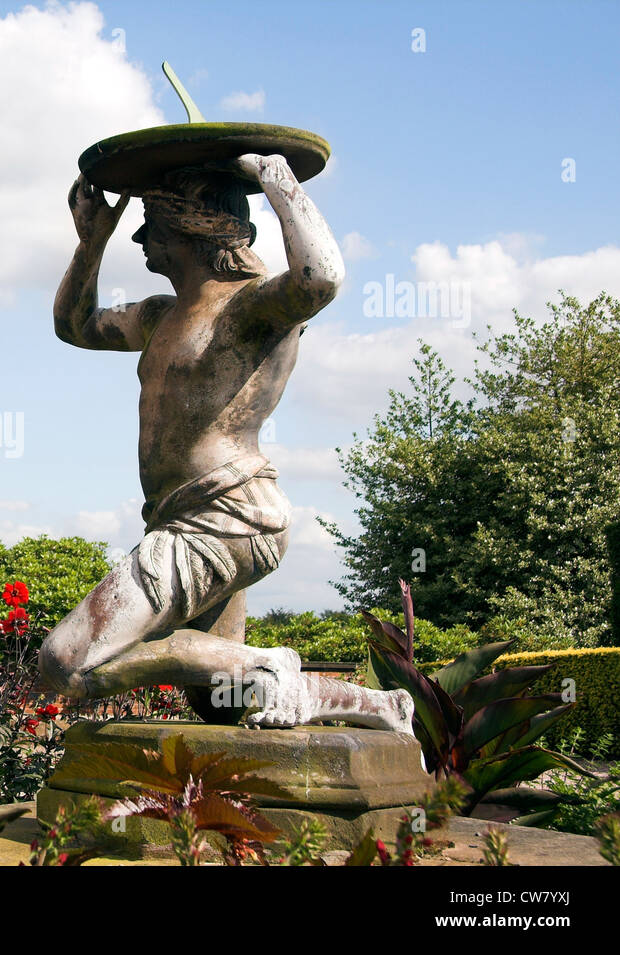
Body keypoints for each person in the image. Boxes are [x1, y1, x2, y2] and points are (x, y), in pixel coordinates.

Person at [40, 154, 413, 733]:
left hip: (228, 515)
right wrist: (92, 241)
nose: (139, 235)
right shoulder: (161, 315)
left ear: (194, 226)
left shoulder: (254, 306)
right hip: (178, 516)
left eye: (152, 222)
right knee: (224, 699)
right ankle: (379, 706)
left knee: (63, 662)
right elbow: (75, 327)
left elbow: (322, 277)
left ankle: (265, 666)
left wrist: (277, 182)